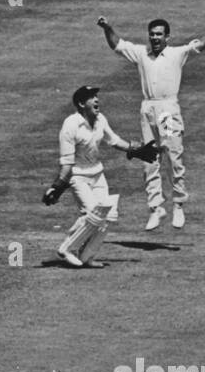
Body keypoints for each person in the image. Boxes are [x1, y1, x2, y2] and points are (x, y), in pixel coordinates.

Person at [97, 9, 205, 231]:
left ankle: (178, 204)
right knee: (149, 158)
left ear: (167, 37)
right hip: (148, 109)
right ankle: (156, 208)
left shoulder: (177, 53)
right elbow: (117, 45)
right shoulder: (141, 53)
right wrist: (107, 28)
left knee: (173, 156)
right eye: (152, 34)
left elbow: (201, 45)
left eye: (159, 34)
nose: (154, 38)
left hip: (168, 109)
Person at [44, 85, 137, 269]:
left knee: (108, 215)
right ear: (80, 103)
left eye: (96, 96)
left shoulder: (100, 119)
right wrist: (57, 186)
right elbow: (67, 163)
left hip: (97, 173)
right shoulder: (70, 125)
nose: (96, 100)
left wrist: (136, 149)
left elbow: (114, 140)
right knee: (92, 213)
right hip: (78, 176)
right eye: (90, 97)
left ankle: (86, 256)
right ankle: (67, 248)